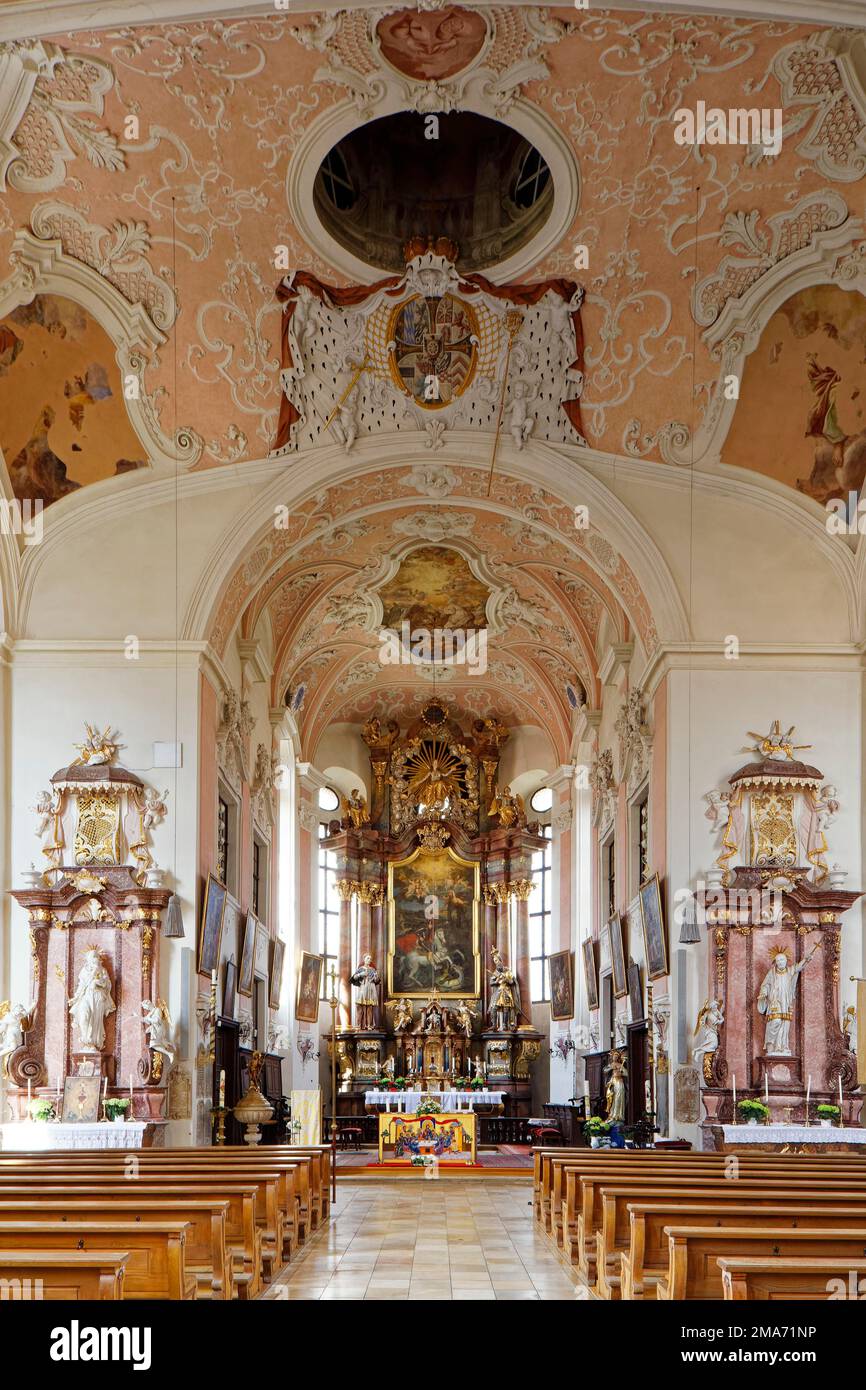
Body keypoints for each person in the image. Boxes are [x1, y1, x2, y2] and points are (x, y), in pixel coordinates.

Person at [351, 954, 380, 1030]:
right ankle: (359, 1025)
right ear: (364, 959)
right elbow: (354, 977)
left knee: (370, 1007)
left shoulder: (373, 970)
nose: (369, 960)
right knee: (360, 1006)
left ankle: (369, 1025)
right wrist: (361, 974)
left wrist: (376, 977)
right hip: (363, 988)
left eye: (370, 959)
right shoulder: (361, 968)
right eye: (368, 958)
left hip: (371, 988)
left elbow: (377, 980)